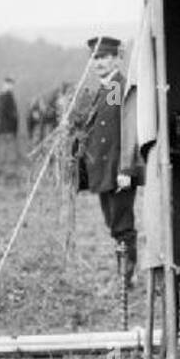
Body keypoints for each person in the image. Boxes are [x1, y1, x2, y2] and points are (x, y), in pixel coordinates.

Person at [69, 37, 143, 290]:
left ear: (115, 58)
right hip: (104, 171)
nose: (98, 63)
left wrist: (125, 169)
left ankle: (127, 277)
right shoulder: (103, 89)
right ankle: (125, 275)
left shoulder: (115, 88)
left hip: (116, 171)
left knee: (121, 225)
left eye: (103, 57)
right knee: (114, 224)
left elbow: (121, 130)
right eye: (95, 58)